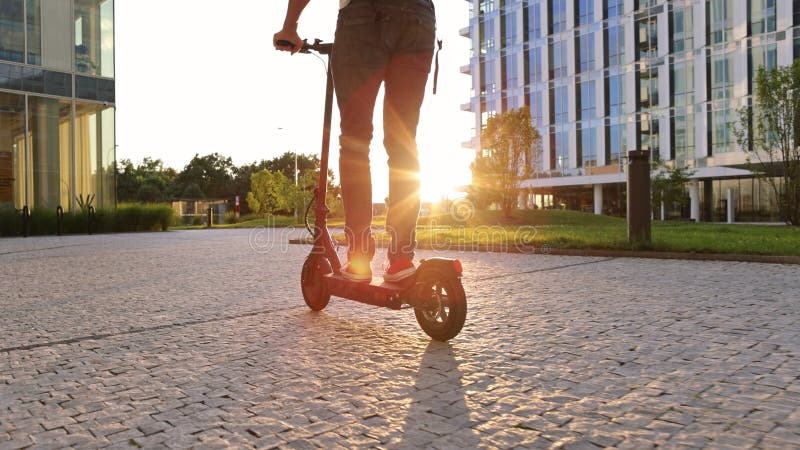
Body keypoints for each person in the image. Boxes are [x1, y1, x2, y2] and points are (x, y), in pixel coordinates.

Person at [274, 0, 436, 283]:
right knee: (403, 144)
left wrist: (290, 26)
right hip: (418, 18)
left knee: (355, 141)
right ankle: (400, 259)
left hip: (362, 17)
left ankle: (359, 258)